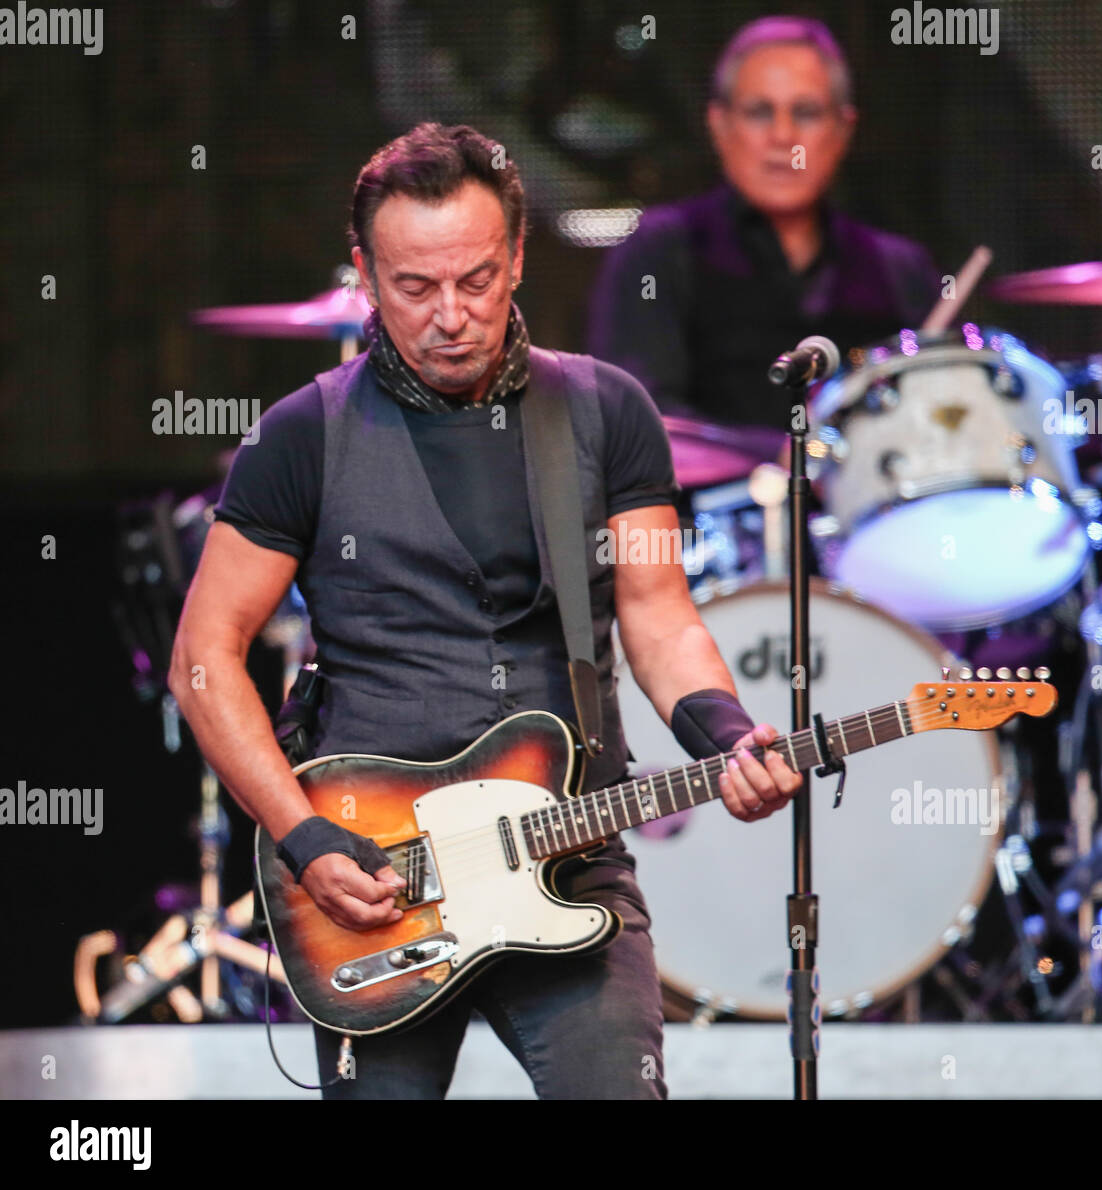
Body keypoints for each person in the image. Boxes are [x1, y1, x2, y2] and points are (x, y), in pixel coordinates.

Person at [168, 122, 802, 1100]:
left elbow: (659, 612)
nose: (450, 315)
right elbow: (204, 654)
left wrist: (724, 732)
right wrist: (302, 837)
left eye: (474, 279)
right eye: (415, 287)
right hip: (373, 878)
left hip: (568, 857)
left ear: (515, 258)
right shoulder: (301, 435)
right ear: (365, 274)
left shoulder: (606, 413)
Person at [587, 16, 942, 432]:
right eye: (759, 112)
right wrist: (787, 460)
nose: (782, 136)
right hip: (715, 497)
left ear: (844, 130)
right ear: (719, 126)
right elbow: (635, 424)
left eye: (806, 113)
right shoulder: (657, 251)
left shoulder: (902, 269)